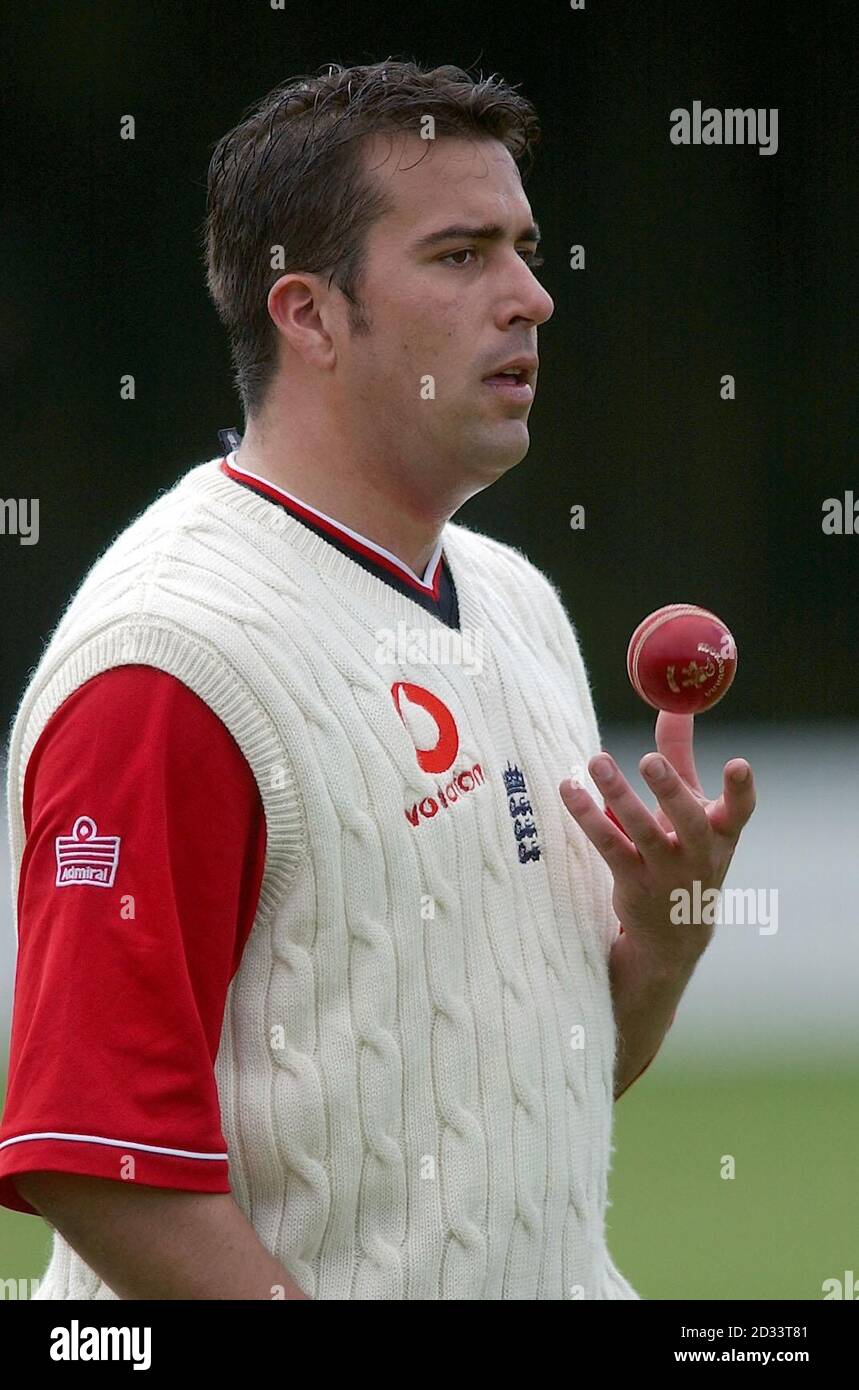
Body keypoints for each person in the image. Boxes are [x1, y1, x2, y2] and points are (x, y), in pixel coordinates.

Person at [0, 59, 755, 1300]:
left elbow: (511, 1107)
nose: (531, 297)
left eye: (523, 246)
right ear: (307, 314)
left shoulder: (513, 601)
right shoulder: (169, 662)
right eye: (461, 255)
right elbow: (98, 1158)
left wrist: (661, 945)